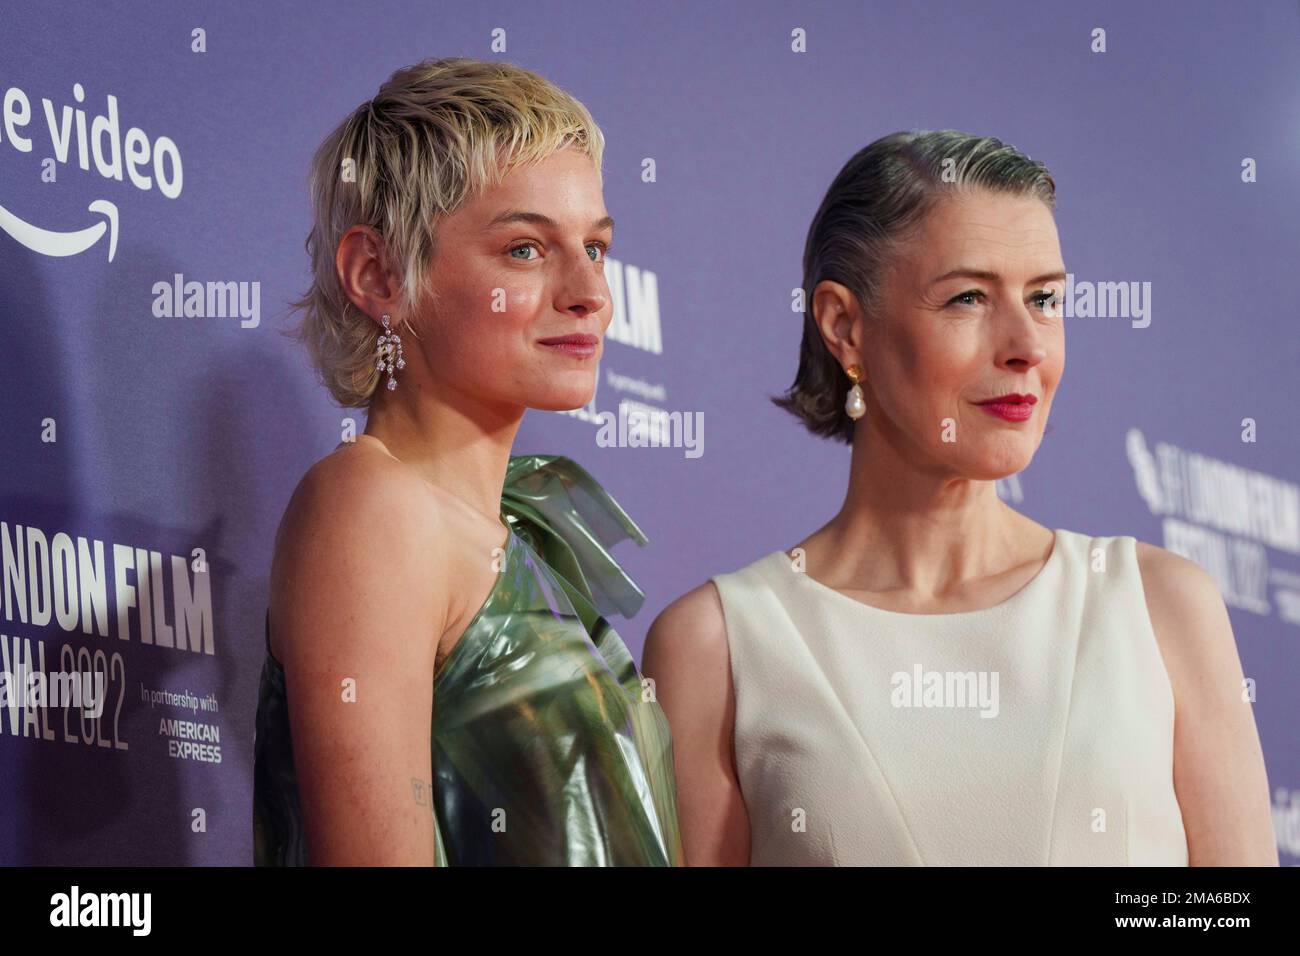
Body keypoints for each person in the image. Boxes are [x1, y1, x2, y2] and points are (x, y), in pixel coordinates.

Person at [643, 130, 1278, 867]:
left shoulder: (1160, 606)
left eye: (1044, 299)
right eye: (969, 297)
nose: (1026, 346)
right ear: (845, 327)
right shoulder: (715, 644)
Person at [252, 57, 682, 866]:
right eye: (526, 249)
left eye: (596, 246)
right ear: (380, 275)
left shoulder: (518, 536)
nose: (589, 289)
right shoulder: (371, 505)